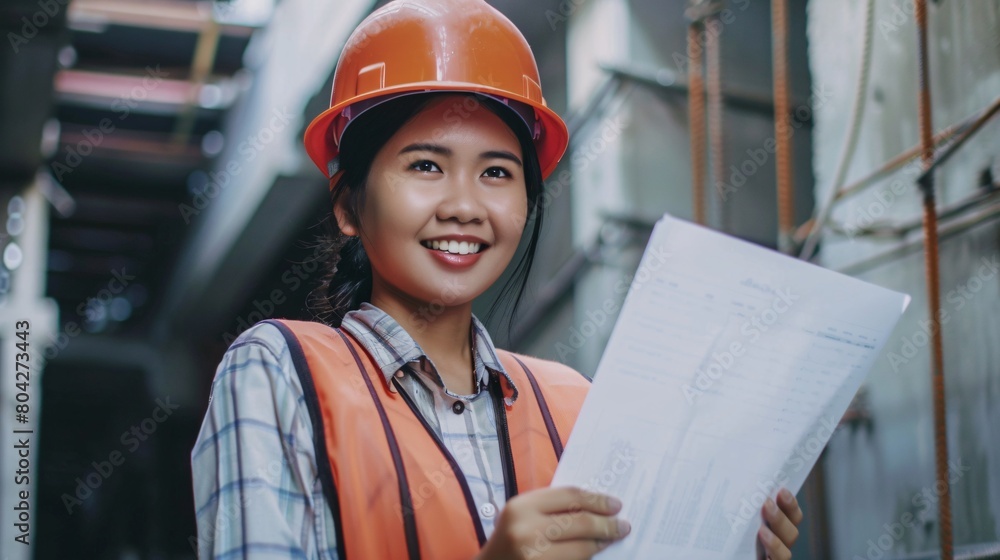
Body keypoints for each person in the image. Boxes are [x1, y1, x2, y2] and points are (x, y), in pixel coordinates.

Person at [190, 0, 804, 558]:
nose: (466, 206)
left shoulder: (577, 407)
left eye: (497, 173)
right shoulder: (280, 373)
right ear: (349, 205)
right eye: (427, 165)